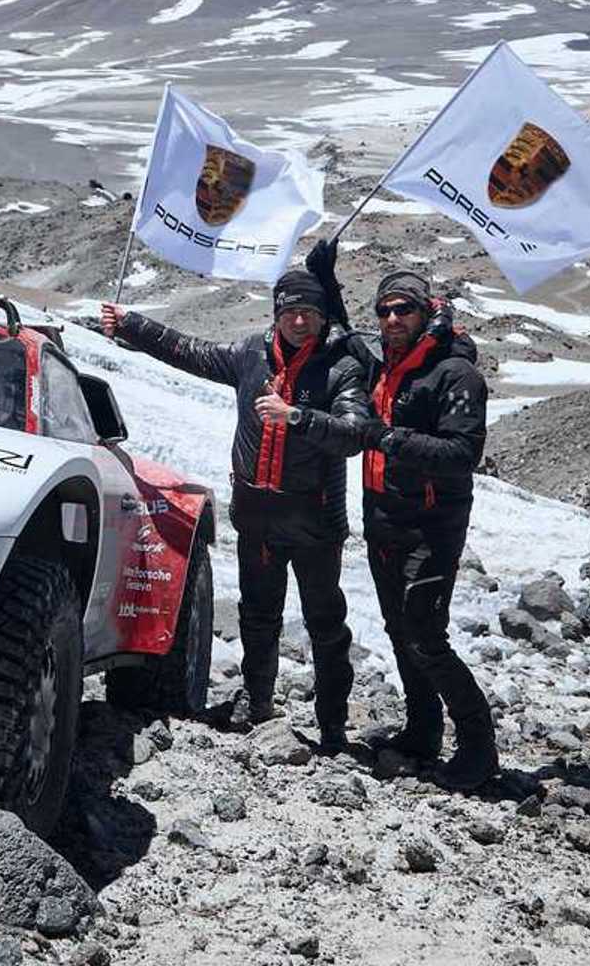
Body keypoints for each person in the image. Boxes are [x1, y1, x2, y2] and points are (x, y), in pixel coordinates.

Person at [100, 268, 369, 749]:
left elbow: (355, 433)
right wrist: (130, 324)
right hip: (257, 515)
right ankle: (258, 704)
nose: (300, 321)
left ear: (323, 315)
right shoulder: (252, 354)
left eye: (308, 312)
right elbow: (192, 352)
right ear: (277, 315)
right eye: (290, 312)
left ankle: (332, 725)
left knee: (325, 622)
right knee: (257, 615)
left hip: (315, 521)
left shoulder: (341, 367)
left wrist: (299, 417)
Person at [352, 270, 498, 790]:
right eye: (384, 311)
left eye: (403, 310)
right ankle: (422, 731)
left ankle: (480, 749)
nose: (392, 320)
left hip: (431, 527)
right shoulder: (388, 365)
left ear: (424, 312)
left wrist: (386, 438)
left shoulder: (455, 374)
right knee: (399, 629)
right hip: (384, 521)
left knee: (425, 636)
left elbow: (462, 455)